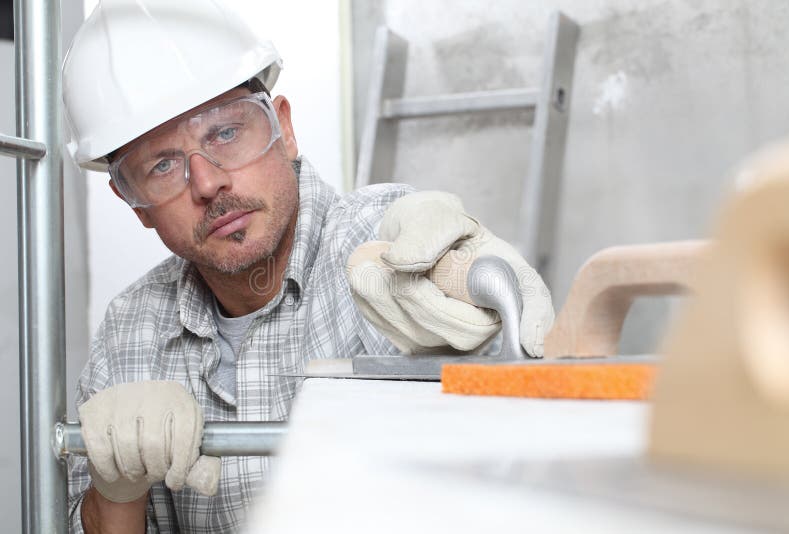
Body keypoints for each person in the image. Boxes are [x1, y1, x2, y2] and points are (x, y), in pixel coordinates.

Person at [62, 1, 555, 532]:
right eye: (162, 165)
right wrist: (117, 490)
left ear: (285, 128)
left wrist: (484, 298)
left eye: (225, 133)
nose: (207, 183)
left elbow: (522, 464)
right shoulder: (129, 332)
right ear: (133, 203)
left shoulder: (387, 250)